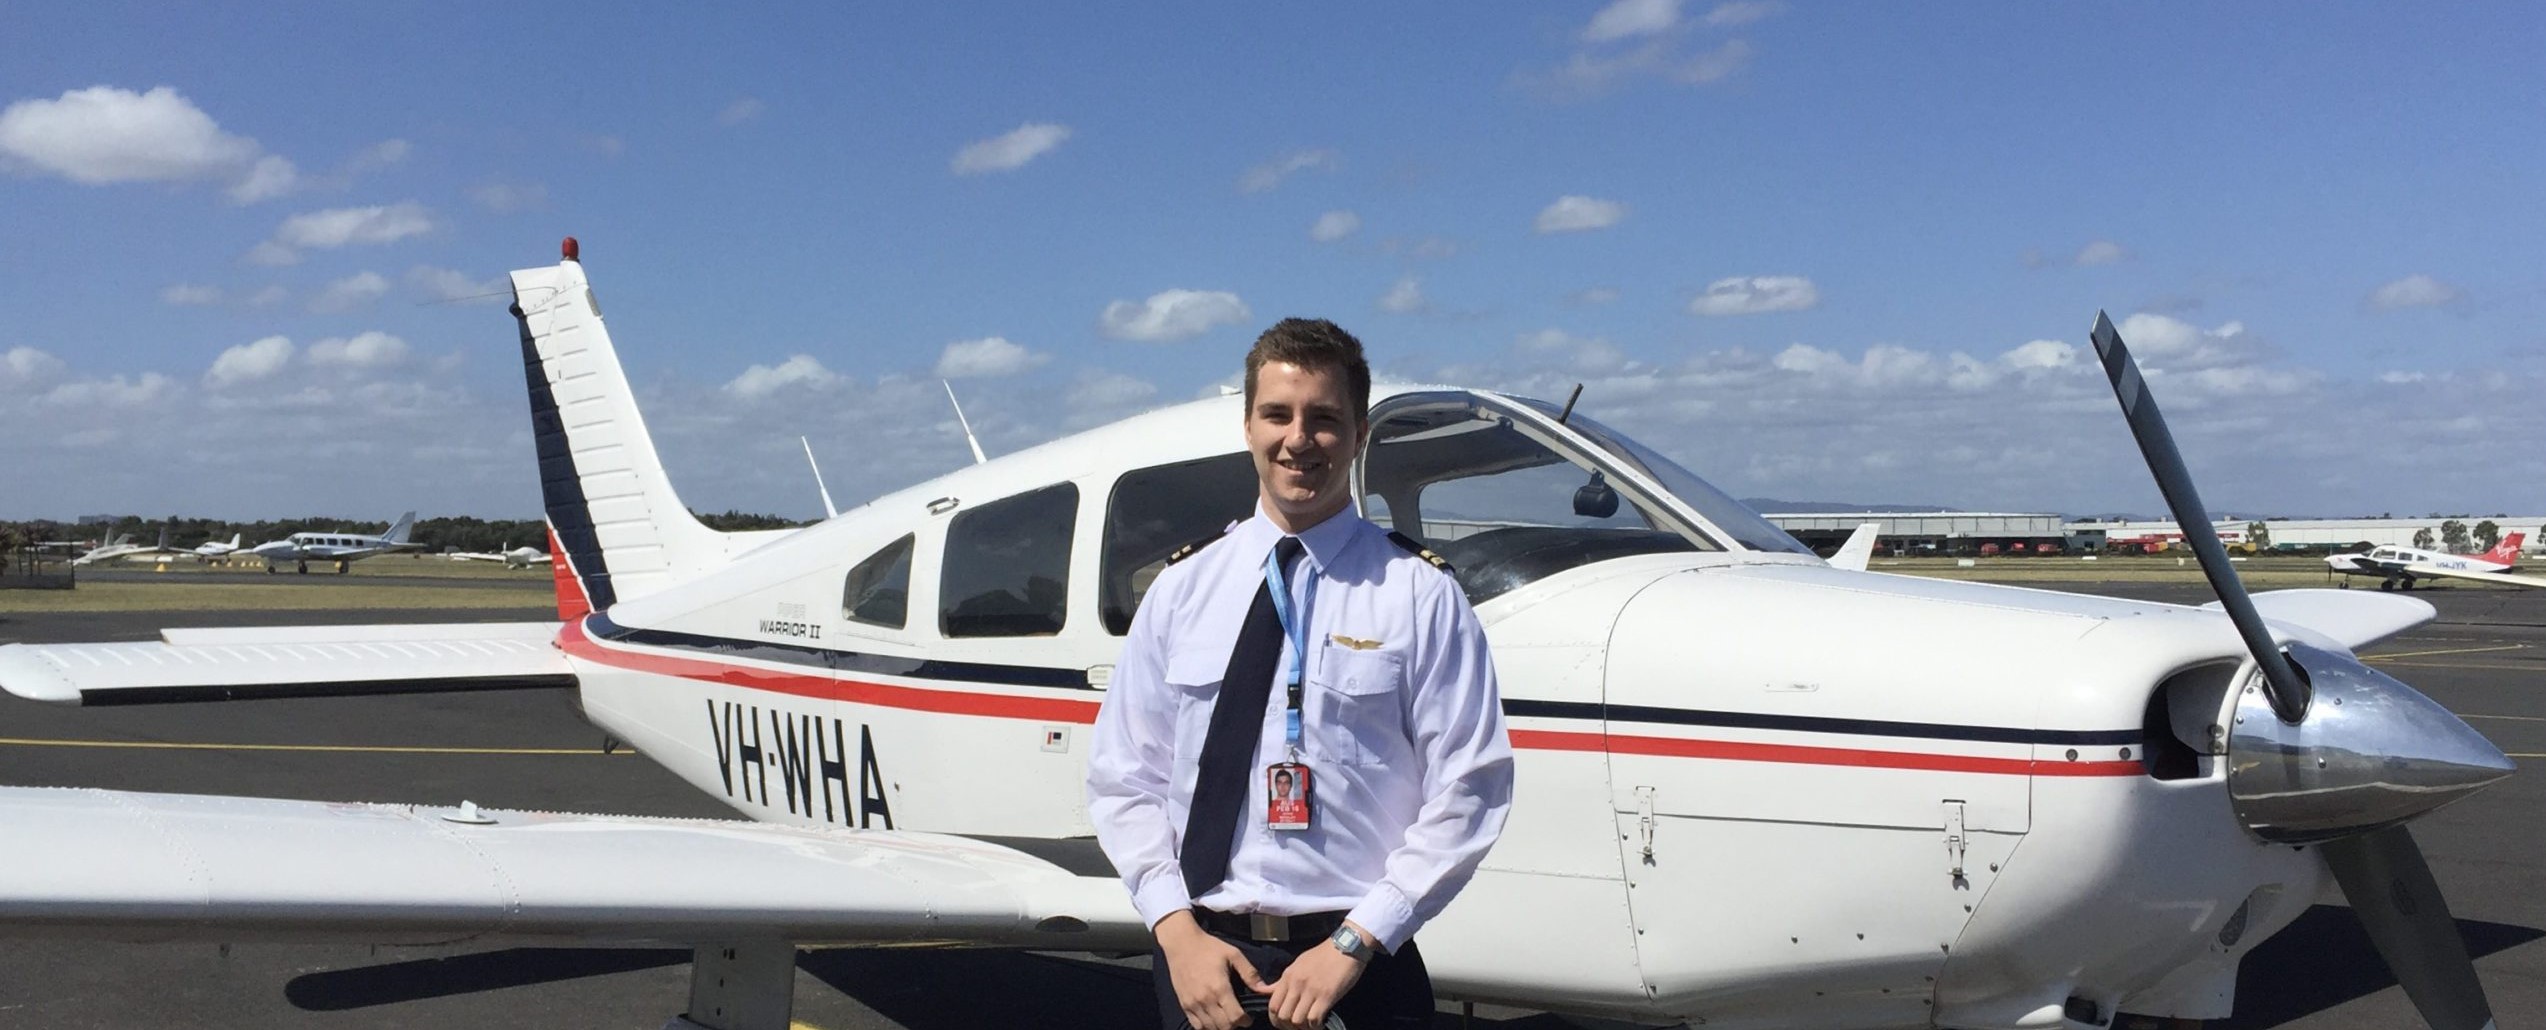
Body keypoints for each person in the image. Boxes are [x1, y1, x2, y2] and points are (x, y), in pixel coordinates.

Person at [1087, 318, 1514, 1030]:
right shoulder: (1181, 591)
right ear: (1248, 426)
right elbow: (1123, 777)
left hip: (1358, 959)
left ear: (1358, 437)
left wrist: (1355, 941)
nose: (1298, 439)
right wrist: (1174, 931)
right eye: (1277, 415)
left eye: (1324, 419)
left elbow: (1471, 784)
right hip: (1204, 959)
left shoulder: (1418, 592)